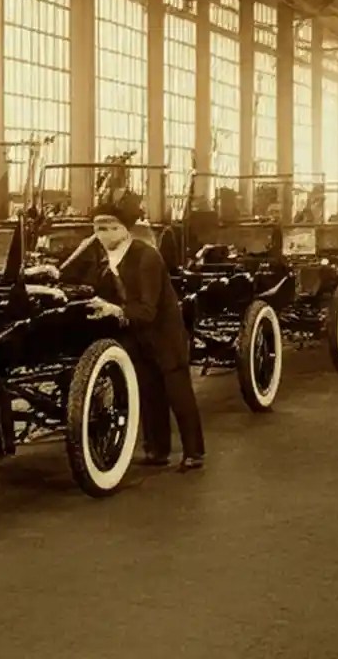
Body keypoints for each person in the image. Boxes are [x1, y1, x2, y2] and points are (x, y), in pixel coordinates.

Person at [59, 188, 206, 471]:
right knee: (149, 392)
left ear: (125, 230)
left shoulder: (146, 257)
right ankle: (157, 451)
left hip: (164, 335)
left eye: (111, 228)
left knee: (178, 394)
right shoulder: (103, 260)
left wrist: (115, 310)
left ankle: (194, 452)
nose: (104, 235)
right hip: (136, 335)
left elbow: (148, 310)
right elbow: (76, 279)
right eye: (98, 229)